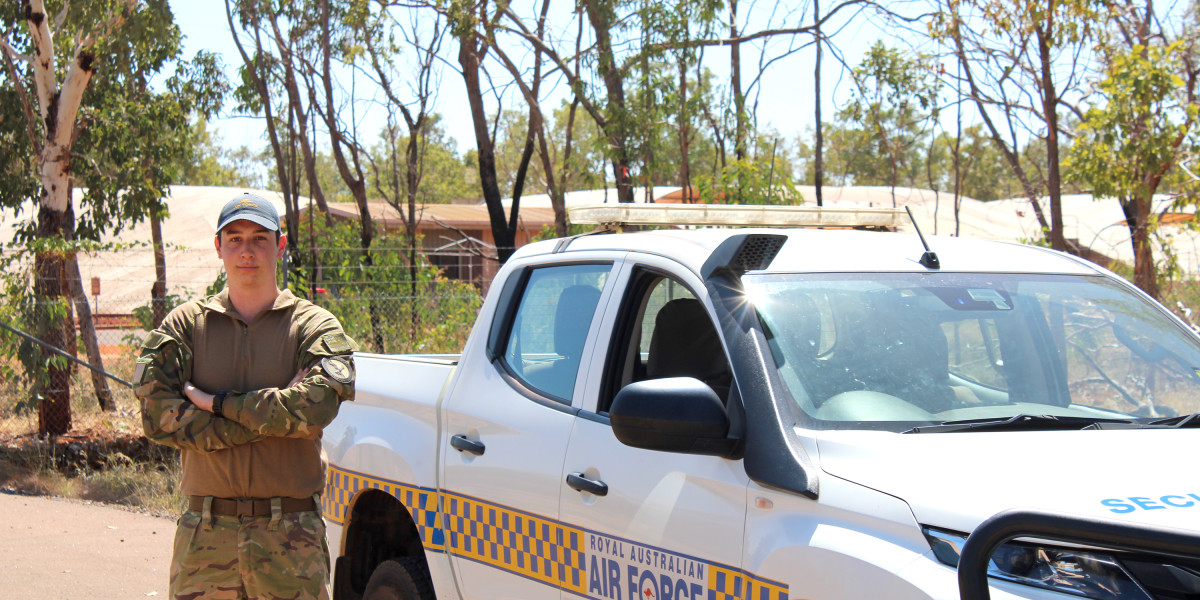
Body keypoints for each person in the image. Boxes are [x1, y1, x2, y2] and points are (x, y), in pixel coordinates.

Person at [133, 192, 357, 600]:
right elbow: (156, 417)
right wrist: (270, 420)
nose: (247, 251)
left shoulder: (314, 327)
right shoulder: (185, 326)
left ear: (280, 244)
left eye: (259, 238)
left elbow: (314, 410)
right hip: (205, 535)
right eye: (234, 238)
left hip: (290, 537)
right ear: (218, 247)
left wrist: (215, 404)